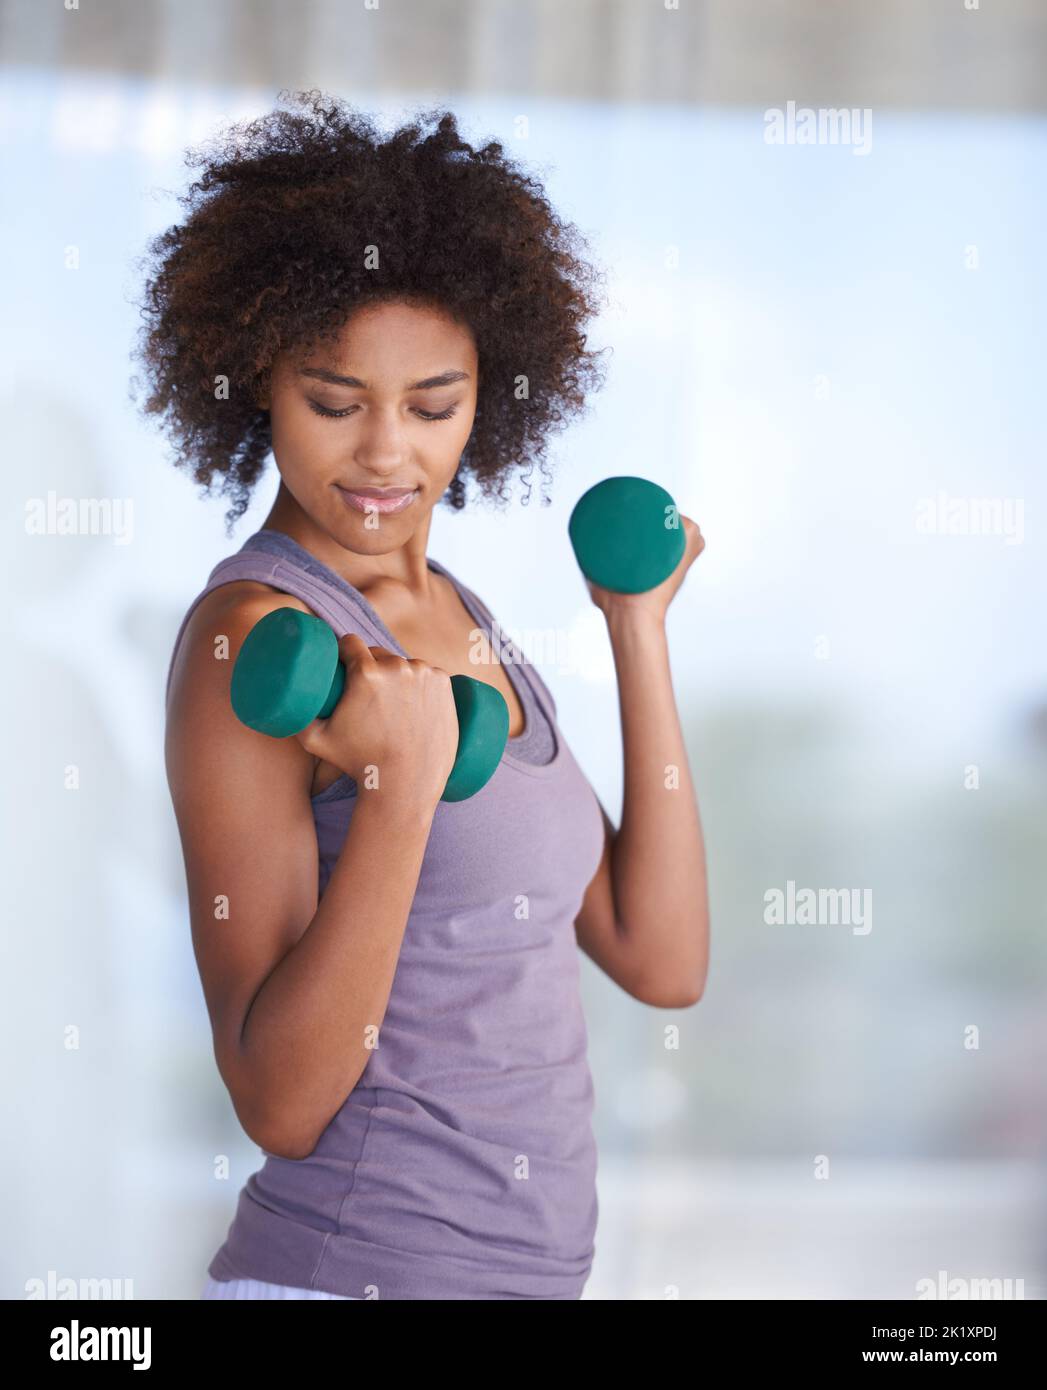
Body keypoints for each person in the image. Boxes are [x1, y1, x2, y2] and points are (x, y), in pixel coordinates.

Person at [140, 93, 710, 1301]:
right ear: (257, 381)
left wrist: (636, 633)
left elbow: (660, 957)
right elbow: (280, 1104)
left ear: (490, 393)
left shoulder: (460, 613)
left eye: (432, 405)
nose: (386, 455)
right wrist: (397, 791)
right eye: (334, 402)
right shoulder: (257, 644)